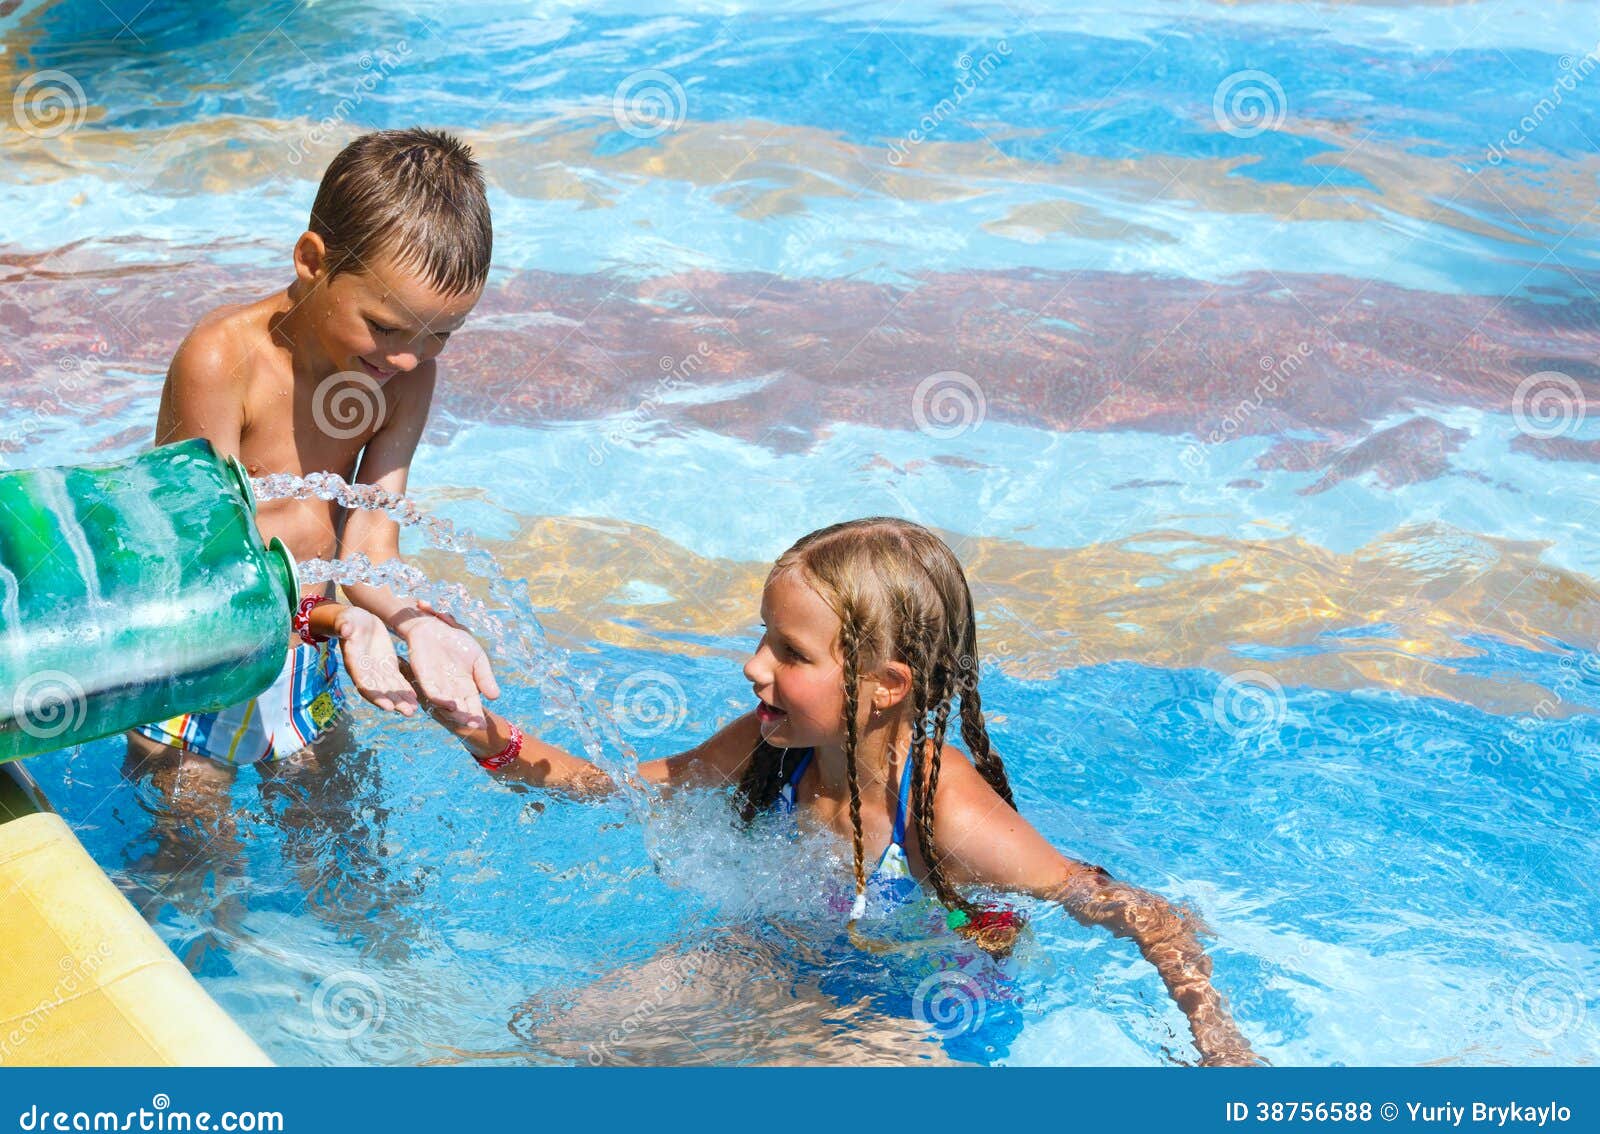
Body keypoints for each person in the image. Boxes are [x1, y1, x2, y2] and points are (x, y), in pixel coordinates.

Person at [419, 516, 1262, 1065]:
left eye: (789, 651)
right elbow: (627, 787)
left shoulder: (940, 805)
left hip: (927, 1011)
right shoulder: (776, 740)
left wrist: (1216, 1038)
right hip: (789, 959)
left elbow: (1130, 906)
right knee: (562, 1033)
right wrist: (488, 738)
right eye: (763, 636)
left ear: (885, 683)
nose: (755, 665)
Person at [127, 128, 500, 773]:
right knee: (194, 841)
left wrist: (416, 623)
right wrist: (340, 619)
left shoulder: (404, 374)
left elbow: (370, 547)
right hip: (200, 657)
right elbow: (204, 562)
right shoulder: (223, 360)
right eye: (383, 327)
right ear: (311, 260)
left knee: (341, 842)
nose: (408, 355)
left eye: (442, 333)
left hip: (312, 642)